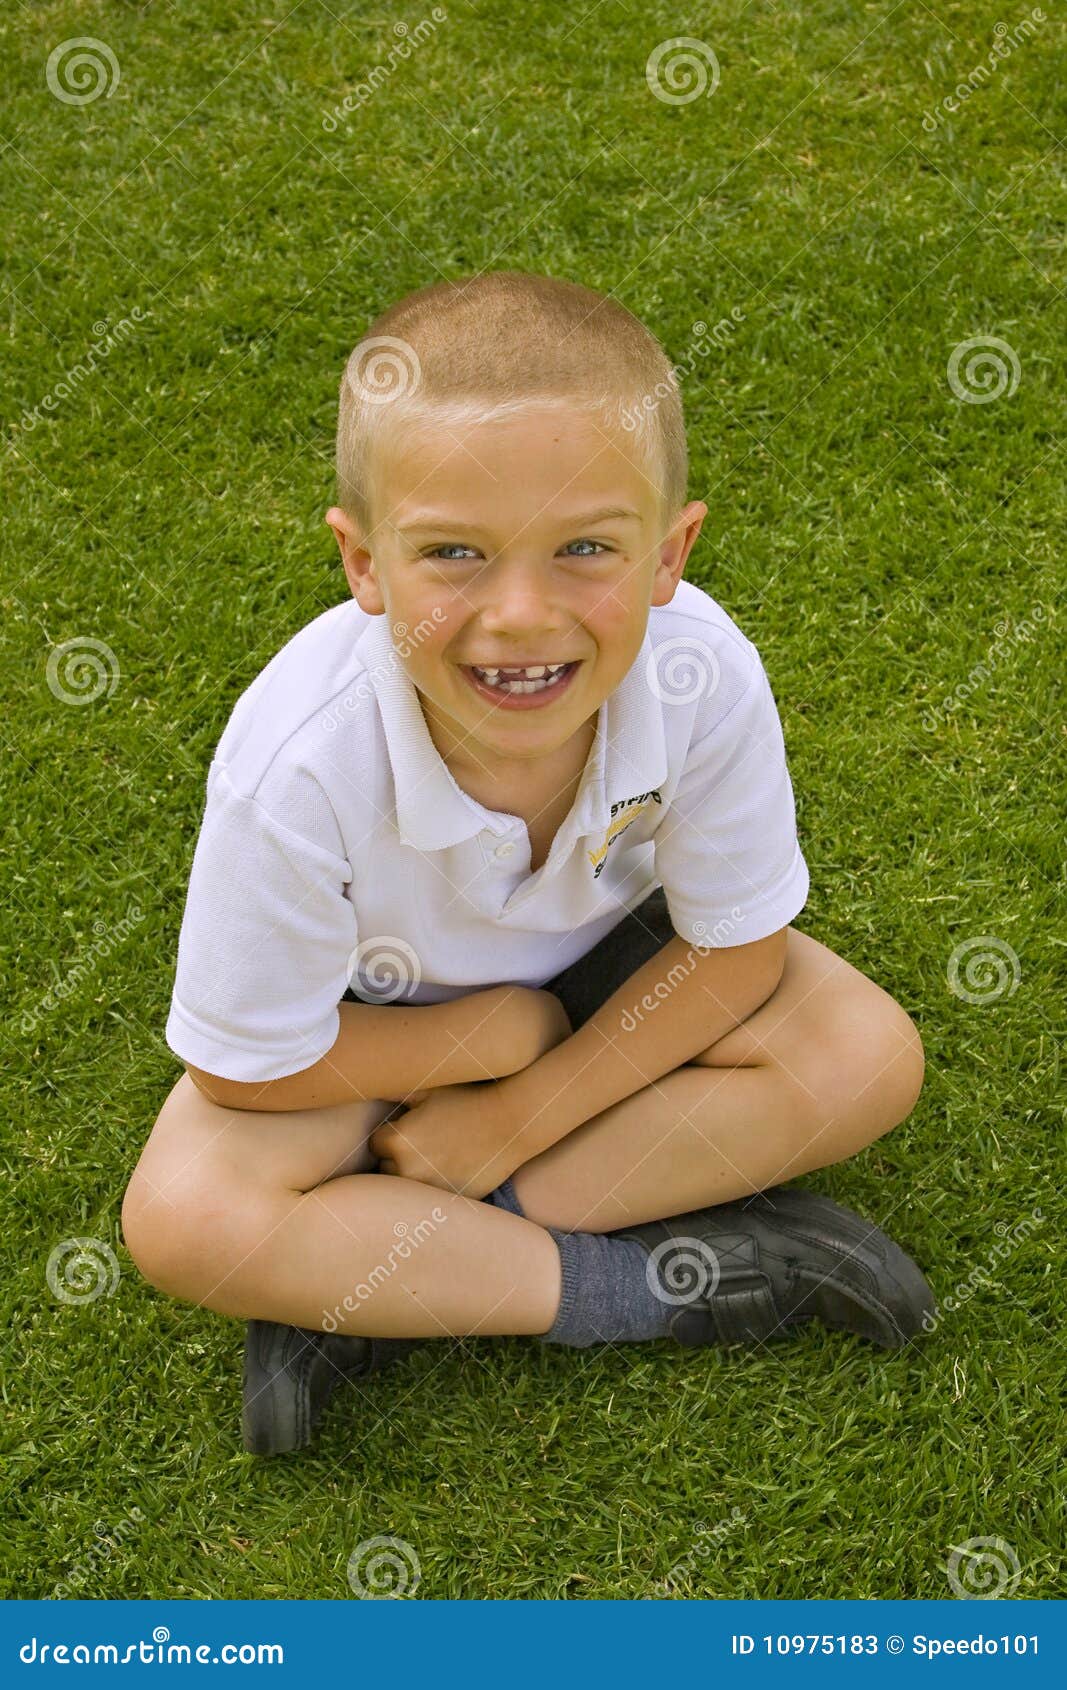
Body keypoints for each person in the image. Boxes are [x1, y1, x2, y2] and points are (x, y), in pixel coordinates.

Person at [122, 271, 932, 1457]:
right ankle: (656, 1289)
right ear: (362, 566)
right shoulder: (295, 764)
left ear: (669, 552)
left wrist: (517, 1112)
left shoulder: (701, 672)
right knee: (185, 1220)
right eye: (451, 552)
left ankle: (395, 1271)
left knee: (864, 1056)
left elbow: (735, 946)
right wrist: (484, 1040)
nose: (519, 614)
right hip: (360, 1036)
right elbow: (248, 1071)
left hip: (613, 981)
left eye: (584, 549)